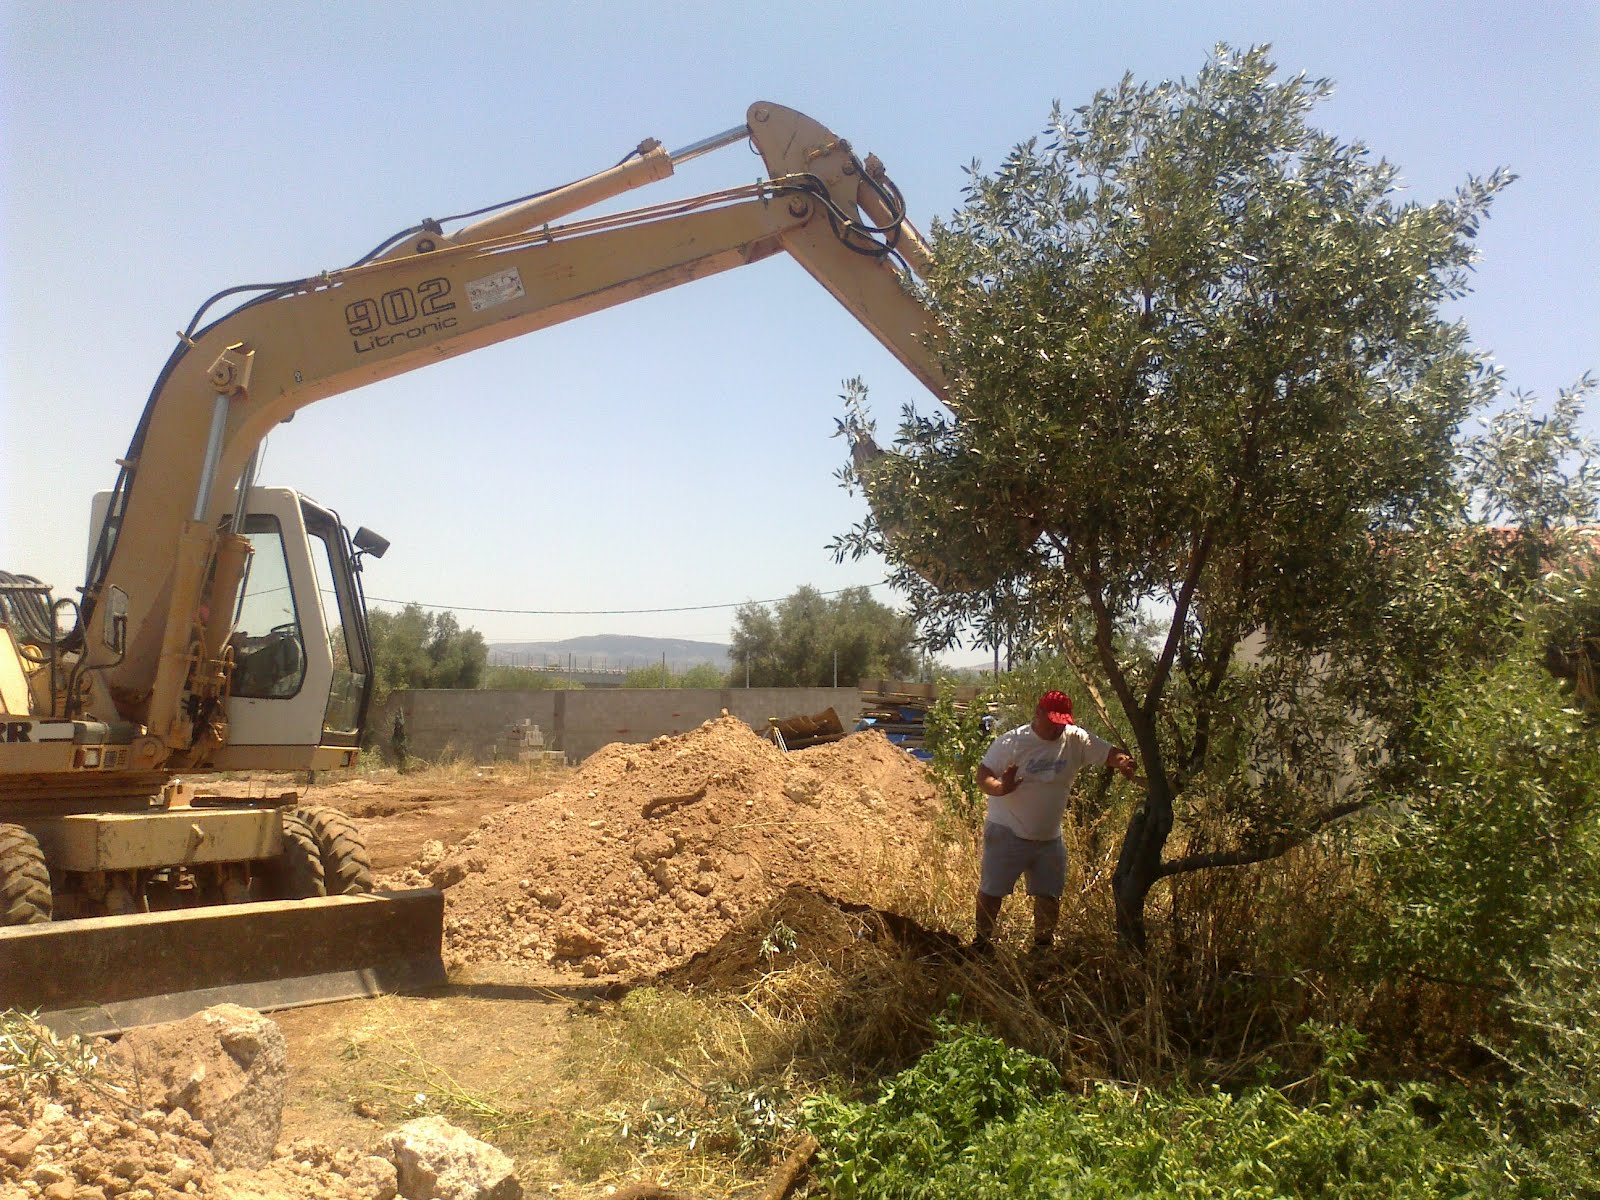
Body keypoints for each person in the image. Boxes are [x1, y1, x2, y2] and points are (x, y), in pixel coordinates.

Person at [972, 690, 1136, 953]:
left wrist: (1123, 762)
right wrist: (1000, 788)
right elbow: (983, 774)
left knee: (1049, 895)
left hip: (1048, 837)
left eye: (1061, 722)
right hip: (1007, 830)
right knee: (992, 892)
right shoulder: (1012, 742)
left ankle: (1042, 949)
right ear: (1038, 714)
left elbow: (1110, 753)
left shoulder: (1075, 739)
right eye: (1052, 721)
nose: (1057, 728)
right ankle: (981, 944)